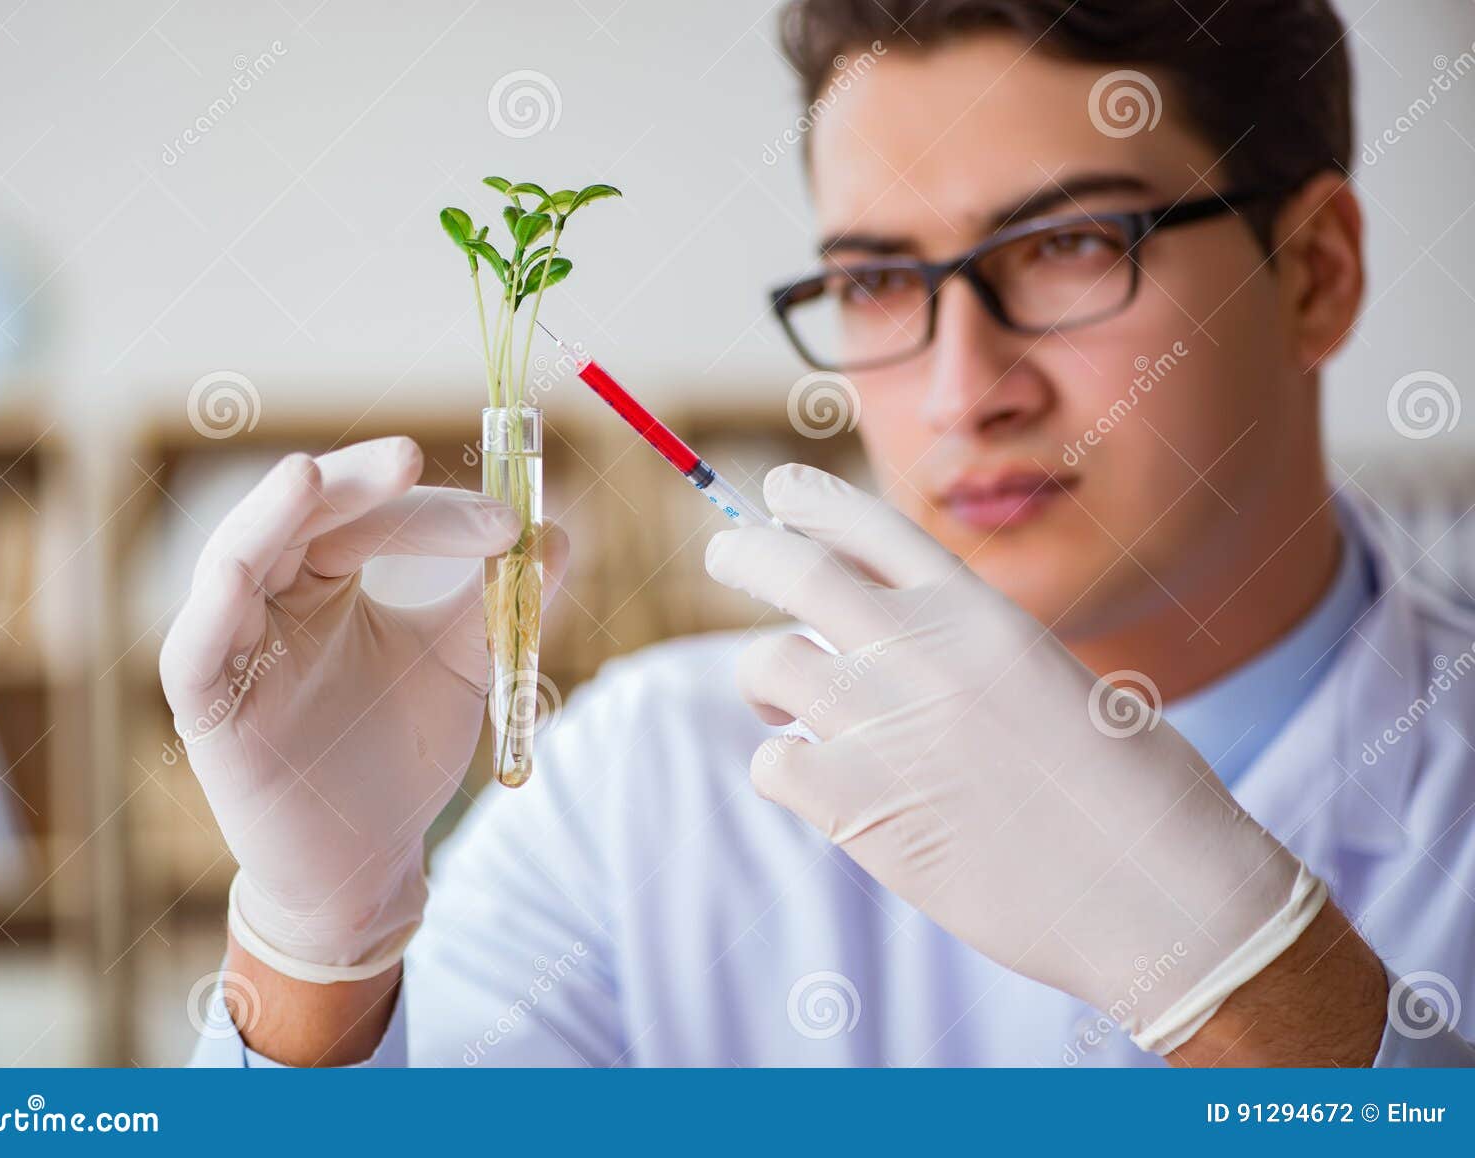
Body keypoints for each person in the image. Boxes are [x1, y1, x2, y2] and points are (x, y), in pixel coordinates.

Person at [178, 0, 1475, 1067]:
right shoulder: (645, 790)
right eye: (873, 281)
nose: (968, 389)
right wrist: (319, 954)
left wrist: (1254, 982)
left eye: (1071, 245)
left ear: (1315, 273)